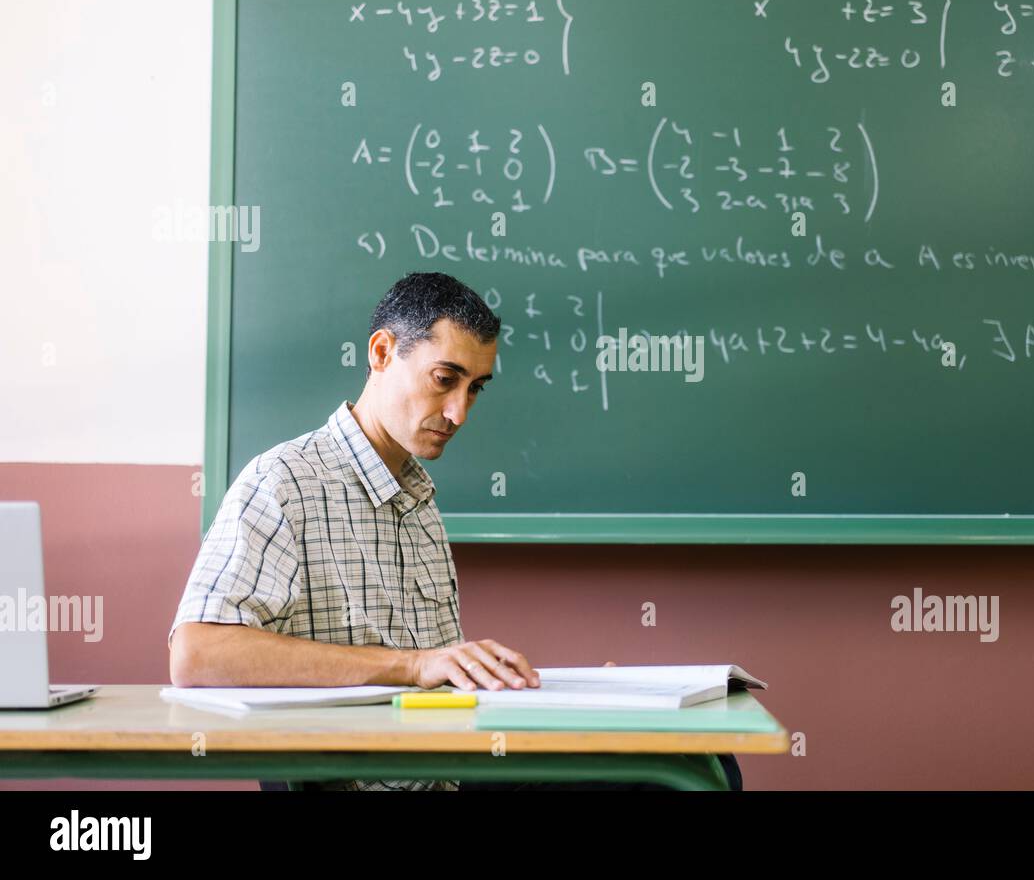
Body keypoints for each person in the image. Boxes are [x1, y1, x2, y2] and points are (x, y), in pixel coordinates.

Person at [169, 271, 740, 791]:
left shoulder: (418, 500)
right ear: (382, 352)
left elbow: (442, 688)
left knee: (697, 761)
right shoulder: (284, 481)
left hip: (449, 770)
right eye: (445, 379)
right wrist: (413, 665)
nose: (459, 411)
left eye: (475, 388)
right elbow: (196, 655)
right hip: (381, 785)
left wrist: (582, 696)